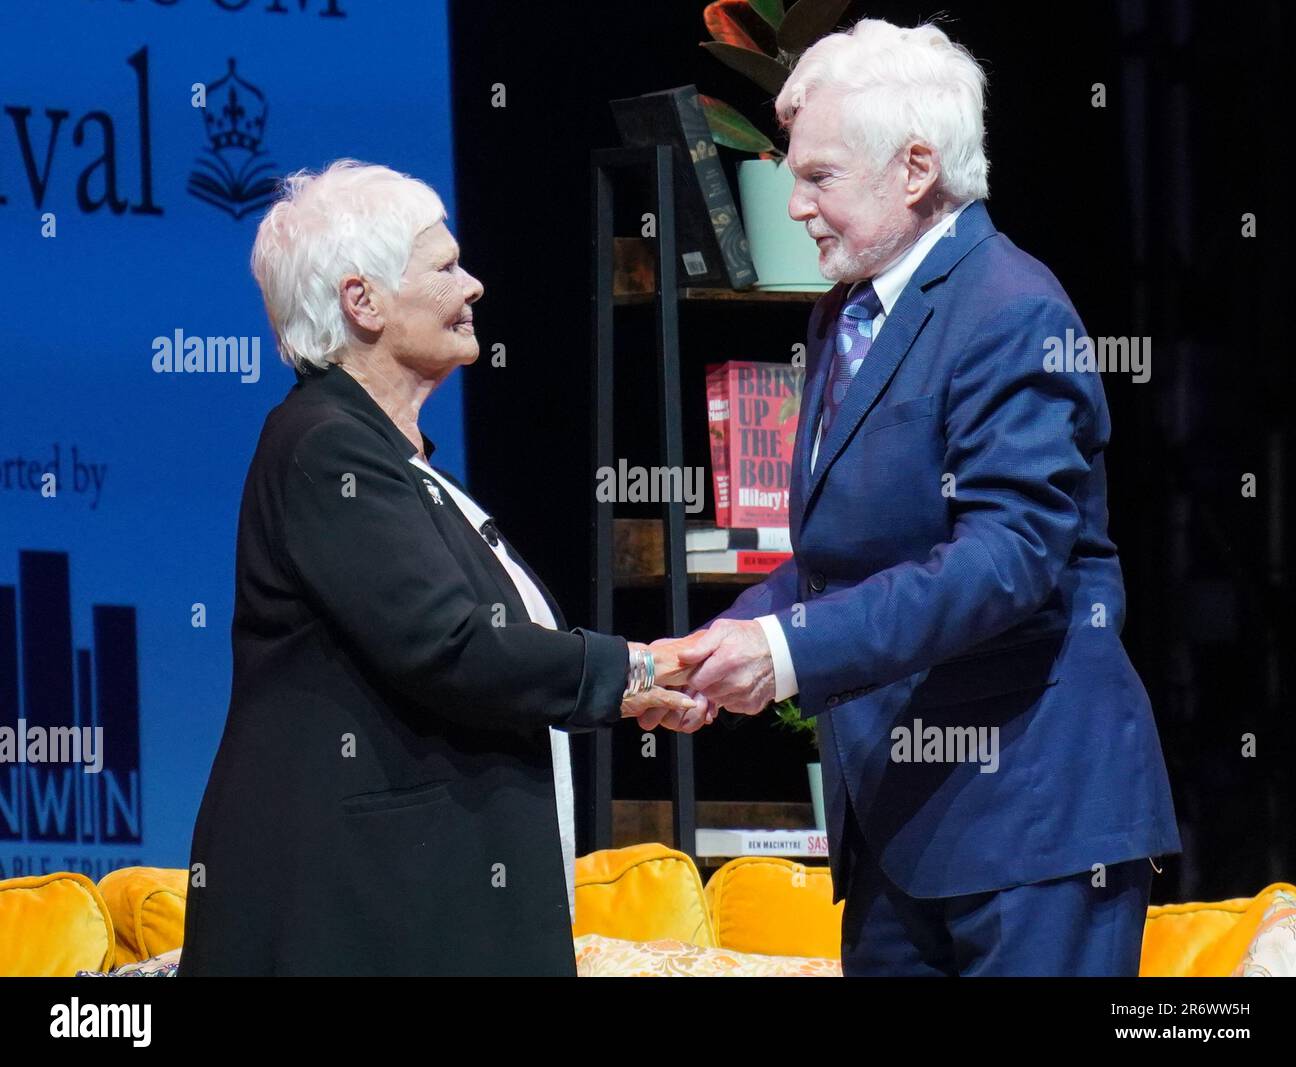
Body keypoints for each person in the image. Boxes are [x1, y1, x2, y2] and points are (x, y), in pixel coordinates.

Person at [654, 17, 1181, 977]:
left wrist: (784, 653)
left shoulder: (1011, 308)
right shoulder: (845, 310)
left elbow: (1008, 556)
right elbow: (844, 559)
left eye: (819, 177)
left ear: (914, 168)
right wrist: (718, 647)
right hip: (898, 825)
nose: (795, 203)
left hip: (1029, 830)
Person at [179, 160, 707, 977]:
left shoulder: (394, 462)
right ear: (364, 302)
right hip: (358, 917)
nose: (476, 285)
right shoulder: (327, 448)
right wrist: (632, 667)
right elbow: (452, 647)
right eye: (445, 267)